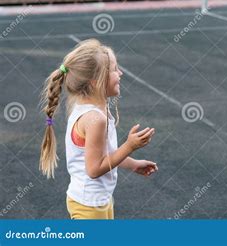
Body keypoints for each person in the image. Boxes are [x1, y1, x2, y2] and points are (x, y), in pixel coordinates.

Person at [39, 38, 158, 219]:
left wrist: (133, 163)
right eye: (114, 70)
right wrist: (129, 146)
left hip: (97, 200)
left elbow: (105, 154)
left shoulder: (87, 110)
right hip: (90, 206)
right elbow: (94, 169)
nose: (121, 73)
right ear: (96, 81)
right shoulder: (95, 119)